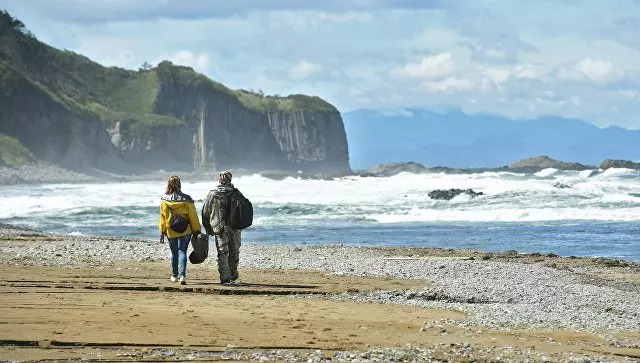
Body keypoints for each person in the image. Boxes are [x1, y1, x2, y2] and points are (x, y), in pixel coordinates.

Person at [202, 170, 243, 284]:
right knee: (234, 250)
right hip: (235, 227)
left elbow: (206, 211)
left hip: (218, 227)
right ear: (230, 179)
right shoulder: (236, 193)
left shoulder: (212, 194)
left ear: (219, 180)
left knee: (222, 252)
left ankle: (225, 277)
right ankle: (233, 274)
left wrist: (207, 227)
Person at [159, 175, 201, 285]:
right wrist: (197, 230)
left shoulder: (164, 201)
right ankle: (183, 276)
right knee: (182, 251)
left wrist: (162, 232)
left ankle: (174, 275)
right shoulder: (187, 200)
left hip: (170, 230)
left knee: (174, 253)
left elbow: (163, 217)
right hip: (185, 230)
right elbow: (193, 217)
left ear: (169, 185)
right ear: (179, 184)